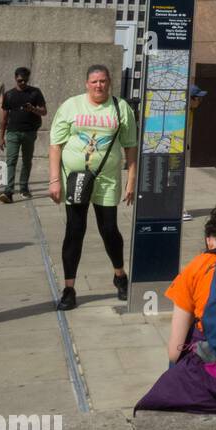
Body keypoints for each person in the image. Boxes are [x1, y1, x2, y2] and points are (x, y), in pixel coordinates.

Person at [133, 203, 216, 415]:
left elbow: (174, 351)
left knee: (148, 406)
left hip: (213, 381)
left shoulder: (198, 266)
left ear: (209, 240)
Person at [48, 64, 138, 311]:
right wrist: (54, 179)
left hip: (107, 181)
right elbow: (55, 144)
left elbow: (130, 145)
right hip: (75, 179)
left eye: (103, 81)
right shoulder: (71, 106)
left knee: (109, 229)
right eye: (94, 81)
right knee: (75, 230)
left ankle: (119, 275)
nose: (99, 85)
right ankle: (69, 288)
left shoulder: (121, 108)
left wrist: (131, 179)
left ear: (110, 83)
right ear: (87, 83)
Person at [0, 67, 47, 203]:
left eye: (25, 81)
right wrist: (1, 137)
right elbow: (4, 118)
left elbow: (44, 112)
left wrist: (32, 108)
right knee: (11, 161)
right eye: (20, 80)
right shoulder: (9, 95)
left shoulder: (35, 93)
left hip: (29, 133)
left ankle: (24, 188)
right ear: (15, 78)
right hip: (12, 132)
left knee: (27, 161)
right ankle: (8, 192)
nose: (23, 83)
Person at [182, 83, 207, 222]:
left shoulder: (190, 110)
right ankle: (179, 210)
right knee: (174, 180)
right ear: (191, 98)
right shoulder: (182, 111)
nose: (200, 101)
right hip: (175, 150)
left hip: (181, 148)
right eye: (198, 98)